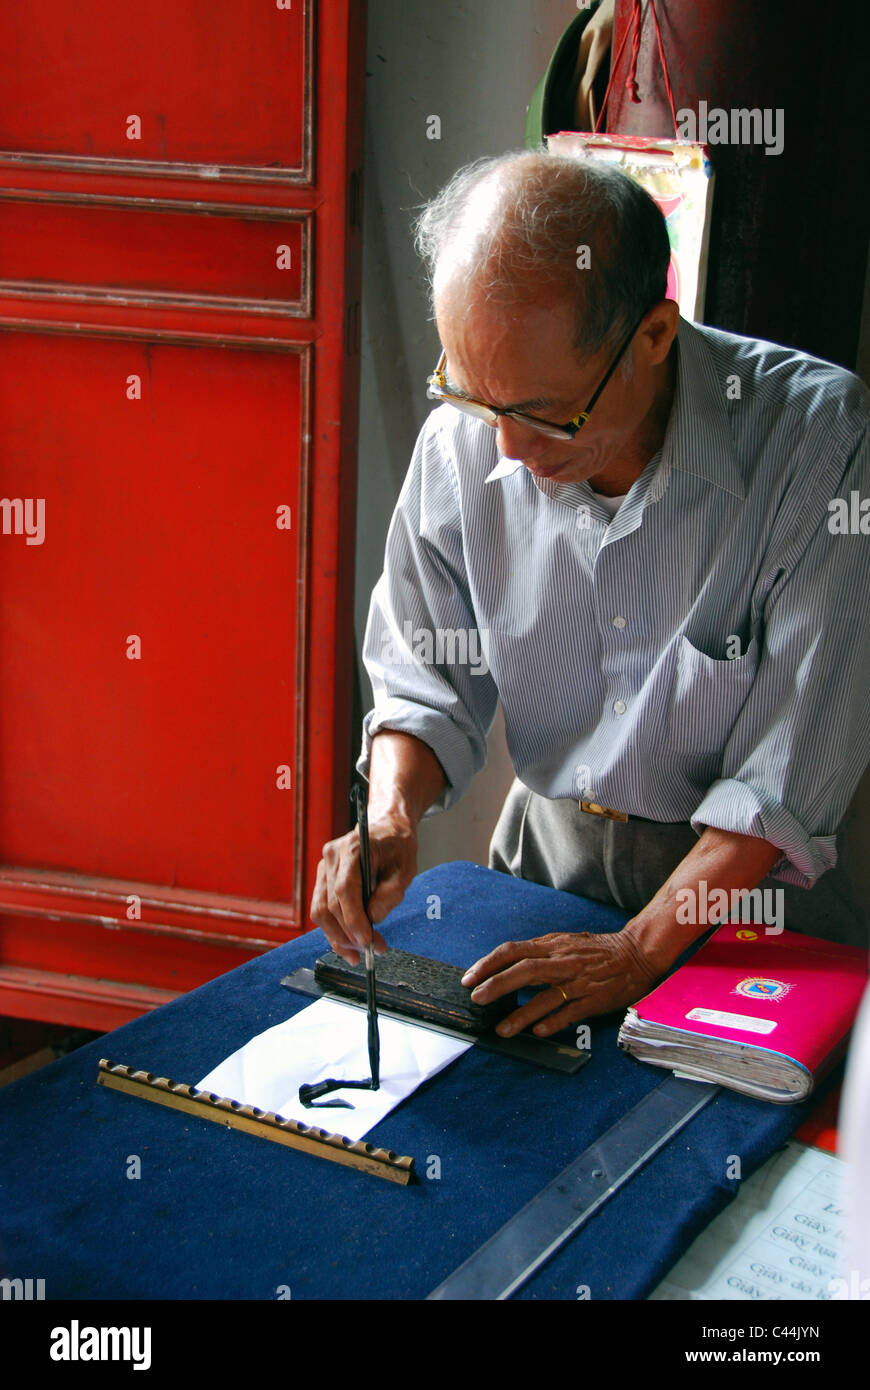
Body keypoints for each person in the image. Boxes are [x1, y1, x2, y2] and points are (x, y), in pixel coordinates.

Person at [310, 150, 870, 1039]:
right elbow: (424, 683)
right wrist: (390, 816)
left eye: (541, 413)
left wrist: (640, 954)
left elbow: (779, 784)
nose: (503, 450)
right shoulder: (471, 436)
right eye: (472, 396)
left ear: (653, 337)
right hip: (547, 867)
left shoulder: (815, 446)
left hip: (748, 903)